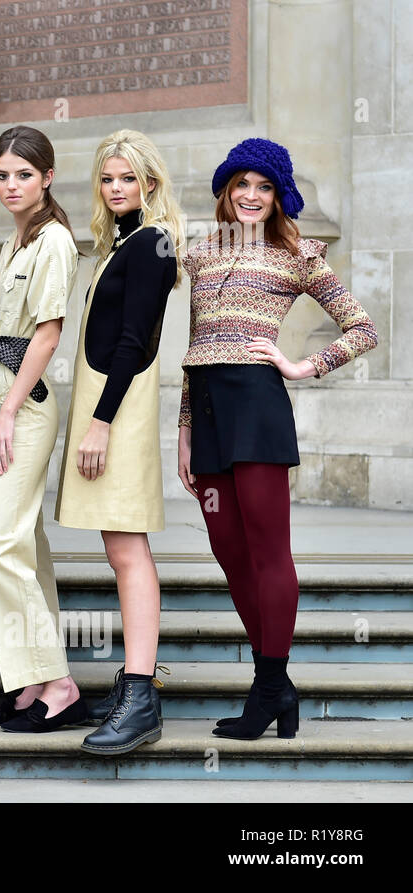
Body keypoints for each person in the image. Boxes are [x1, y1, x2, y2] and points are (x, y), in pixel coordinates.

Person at [178, 138, 378, 740]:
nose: (251, 196)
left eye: (264, 187)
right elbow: (193, 346)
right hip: (209, 411)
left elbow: (362, 327)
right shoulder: (200, 254)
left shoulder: (298, 252)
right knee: (226, 548)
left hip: (258, 411)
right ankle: (279, 687)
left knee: (268, 549)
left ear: (278, 196)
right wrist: (184, 432)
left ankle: (268, 682)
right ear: (227, 189)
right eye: (242, 184)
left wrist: (300, 366)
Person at [53, 129, 183, 752]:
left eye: (128, 178)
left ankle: (140, 695)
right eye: (108, 179)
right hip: (106, 408)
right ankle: (136, 682)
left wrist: (101, 421)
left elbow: (134, 343)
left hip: (119, 412)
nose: (116, 188)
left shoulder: (153, 243)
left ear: (150, 185)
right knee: (118, 546)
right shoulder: (121, 243)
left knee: (128, 549)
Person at [0, 126, 83, 734]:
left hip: (24, 404)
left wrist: (8, 410)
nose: (11, 185)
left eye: (23, 175)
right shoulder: (18, 239)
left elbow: (47, 334)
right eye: (3, 174)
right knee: (26, 549)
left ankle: (59, 683)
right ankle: (29, 683)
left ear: (47, 177)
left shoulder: (55, 240)